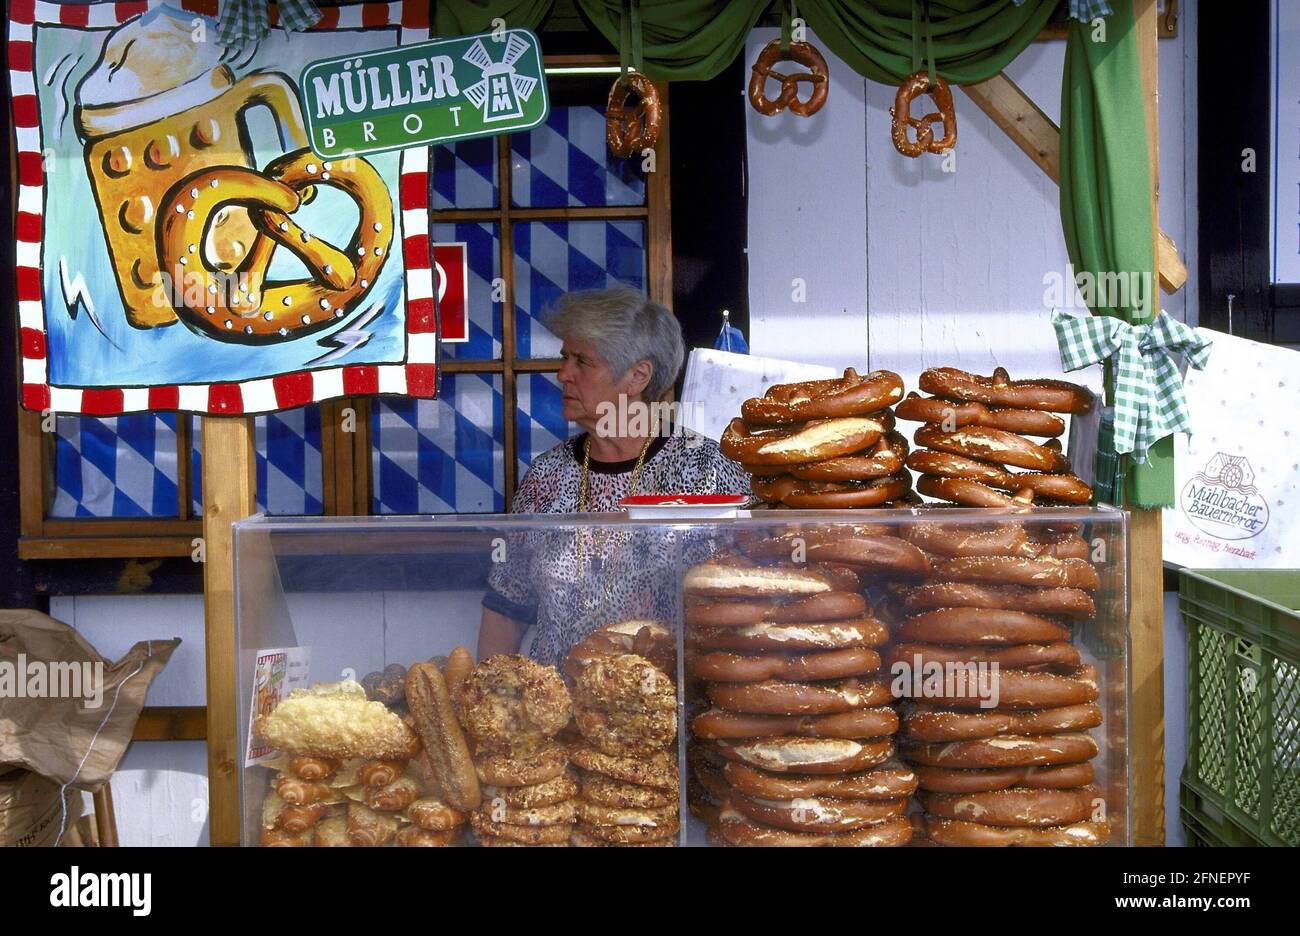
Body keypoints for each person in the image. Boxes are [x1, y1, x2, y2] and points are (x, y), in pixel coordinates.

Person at [477, 287, 749, 665]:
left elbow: (751, 600)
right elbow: (507, 604)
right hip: (564, 711)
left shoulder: (706, 468)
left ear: (637, 376)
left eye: (582, 362)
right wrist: (494, 698)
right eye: (564, 358)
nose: (562, 374)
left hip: (667, 709)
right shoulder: (547, 475)